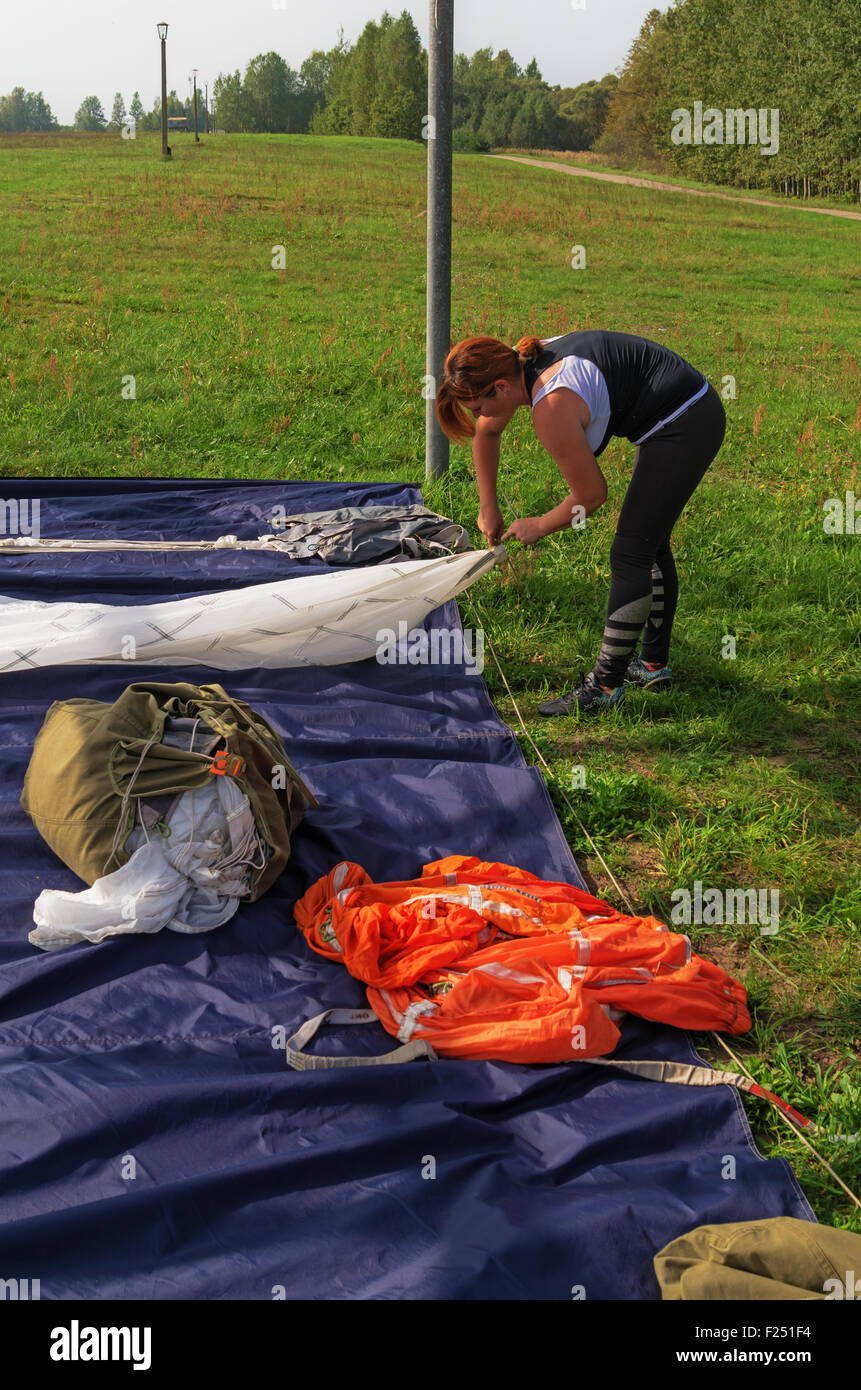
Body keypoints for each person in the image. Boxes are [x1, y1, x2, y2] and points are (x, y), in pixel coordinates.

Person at [434, 330, 726, 715]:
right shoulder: (518, 361)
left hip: (684, 422)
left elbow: (590, 496)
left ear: (501, 387)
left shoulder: (551, 405)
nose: (480, 418)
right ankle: (652, 666)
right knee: (648, 542)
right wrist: (488, 507)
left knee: (630, 554)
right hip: (683, 408)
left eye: (476, 408)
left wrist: (539, 525)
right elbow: (487, 433)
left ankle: (605, 688)